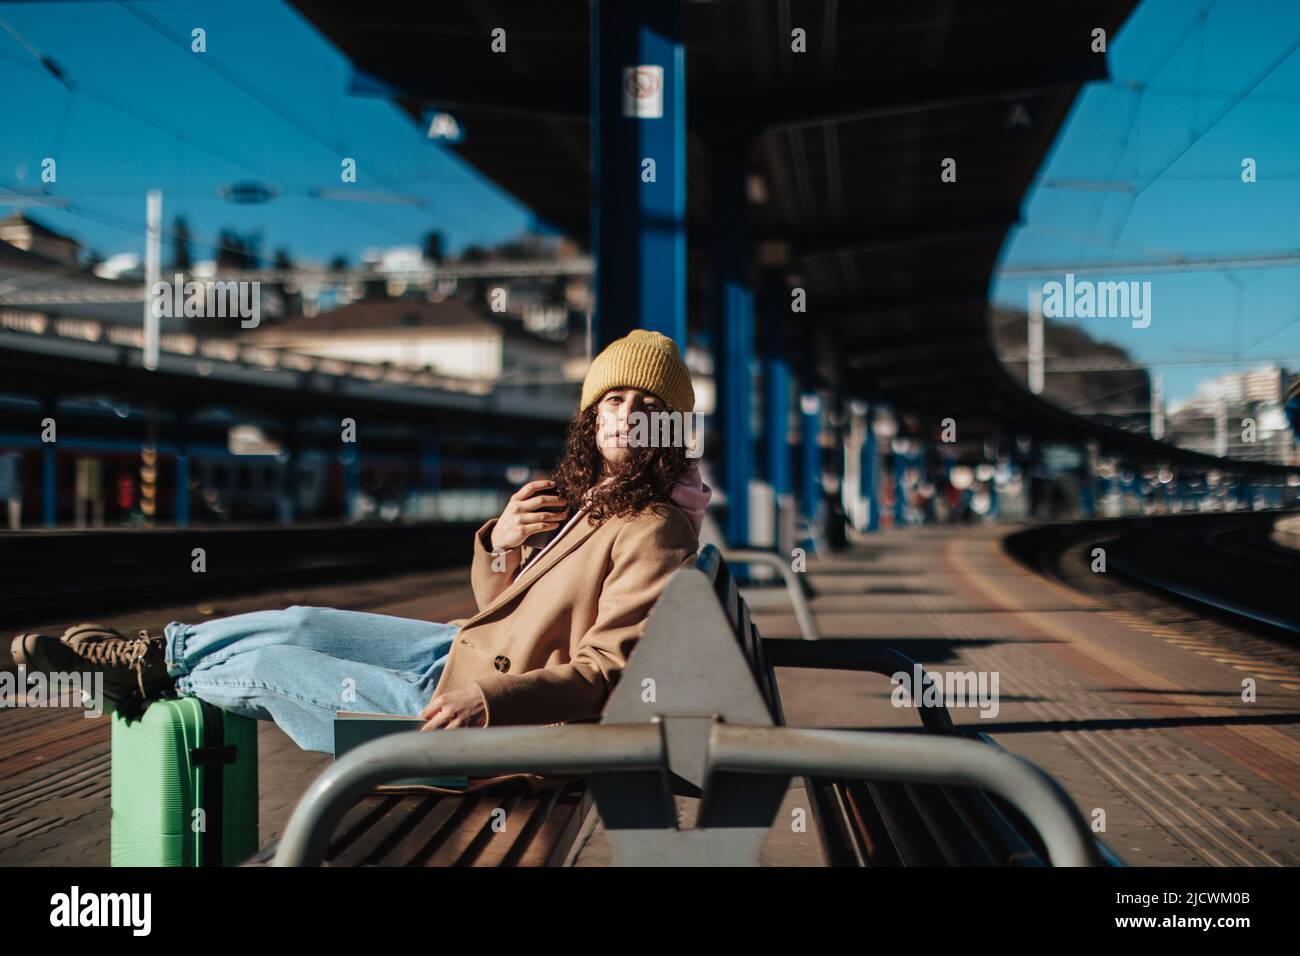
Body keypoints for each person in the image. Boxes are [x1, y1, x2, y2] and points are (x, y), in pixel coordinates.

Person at [12, 330, 711, 754]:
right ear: (590, 418)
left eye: (648, 407)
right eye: (612, 401)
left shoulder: (654, 528)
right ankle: (150, 655)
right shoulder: (599, 503)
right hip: (462, 655)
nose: (626, 417)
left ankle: (138, 676)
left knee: (273, 666)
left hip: (491, 723)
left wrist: (490, 703)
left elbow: (611, 674)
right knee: (301, 621)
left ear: (669, 429)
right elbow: (498, 605)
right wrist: (501, 541)